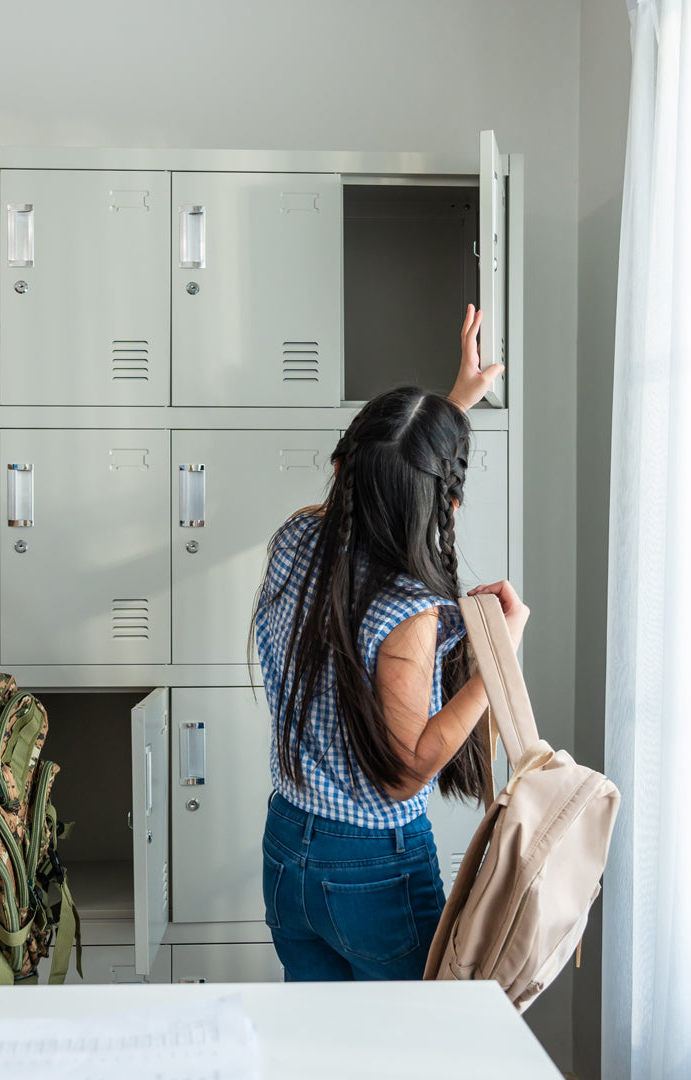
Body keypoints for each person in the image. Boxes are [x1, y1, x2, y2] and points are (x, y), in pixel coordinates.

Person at [251, 306, 529, 981]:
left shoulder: (297, 537)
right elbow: (410, 769)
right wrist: (498, 658)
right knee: (413, 1047)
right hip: (370, 868)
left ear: (344, 466)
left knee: (320, 1046)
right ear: (440, 506)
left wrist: (451, 408)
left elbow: (382, 475)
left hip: (289, 851)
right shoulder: (406, 608)